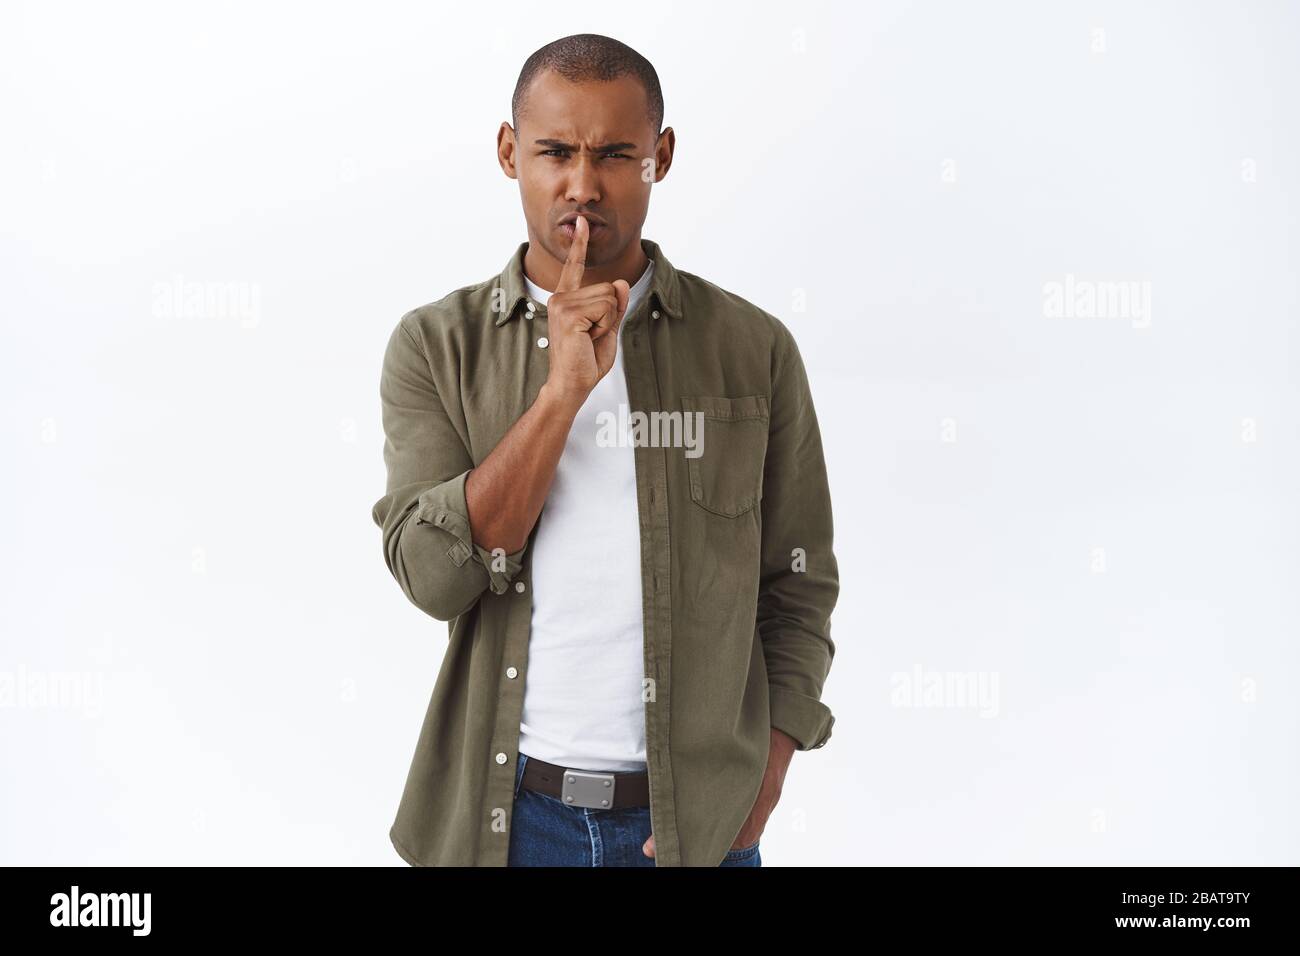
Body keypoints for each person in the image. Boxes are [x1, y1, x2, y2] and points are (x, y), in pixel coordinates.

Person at [372, 33, 839, 867]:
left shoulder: (752, 349)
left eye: (616, 154)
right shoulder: (437, 346)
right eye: (555, 151)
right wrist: (562, 395)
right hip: (506, 825)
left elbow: (798, 583)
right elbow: (434, 578)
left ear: (659, 156)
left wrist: (764, 775)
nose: (582, 186)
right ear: (510, 153)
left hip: (694, 829)